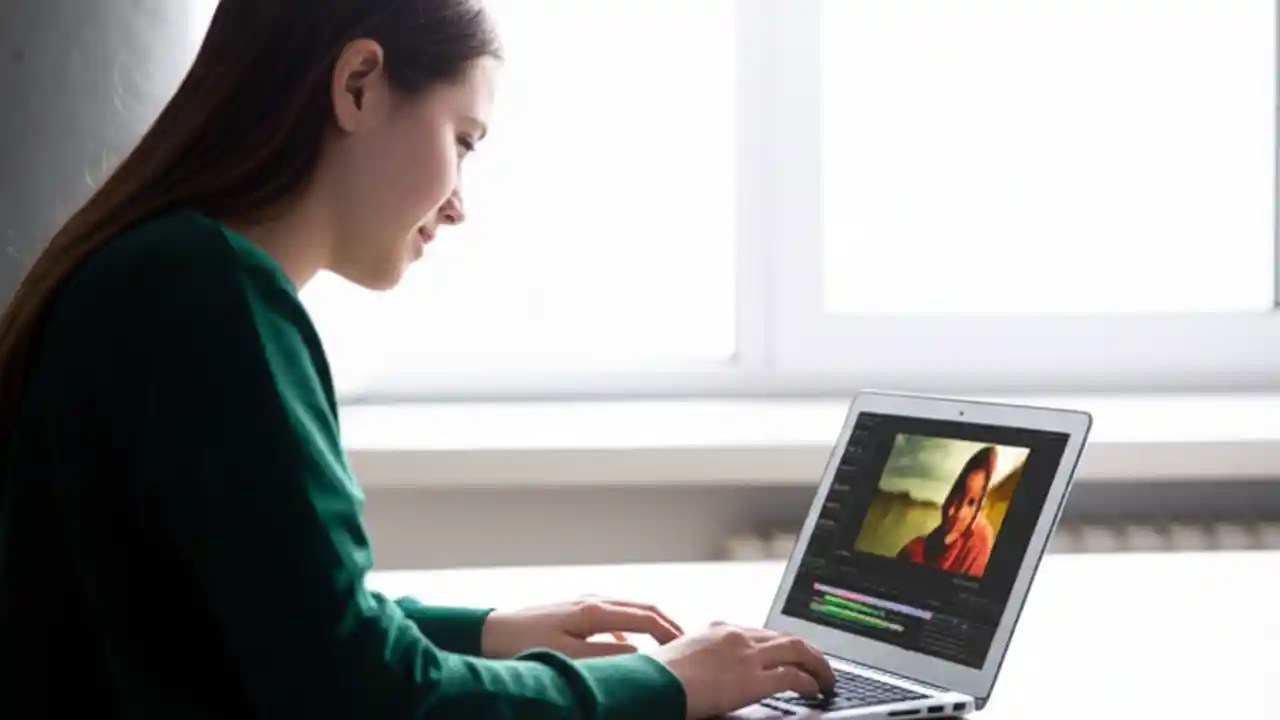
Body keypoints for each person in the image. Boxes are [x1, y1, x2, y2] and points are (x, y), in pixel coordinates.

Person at [0, 1, 835, 718]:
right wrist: (665, 682)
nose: (460, 205)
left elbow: (278, 615)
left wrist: (488, 632)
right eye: (463, 139)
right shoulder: (211, 300)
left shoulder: (159, 272)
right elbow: (365, 692)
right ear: (358, 84)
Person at [896, 446, 997, 578]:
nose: (954, 512)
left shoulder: (979, 543)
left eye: (971, 503)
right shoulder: (915, 549)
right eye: (956, 496)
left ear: (979, 508)